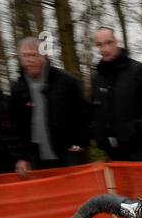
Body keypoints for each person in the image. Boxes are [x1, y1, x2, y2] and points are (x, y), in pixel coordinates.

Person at [8, 38, 88, 176]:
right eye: (25, 55)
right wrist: (21, 157)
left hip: (69, 155)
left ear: (44, 56)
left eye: (33, 55)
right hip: (37, 159)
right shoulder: (18, 88)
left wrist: (78, 145)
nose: (29, 60)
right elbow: (15, 126)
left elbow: (82, 115)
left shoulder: (66, 82)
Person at [89, 26, 142, 161]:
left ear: (117, 42)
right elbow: (95, 110)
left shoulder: (140, 72)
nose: (105, 49)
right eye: (99, 45)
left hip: (141, 152)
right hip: (112, 154)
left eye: (109, 42)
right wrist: (99, 135)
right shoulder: (97, 78)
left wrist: (134, 130)